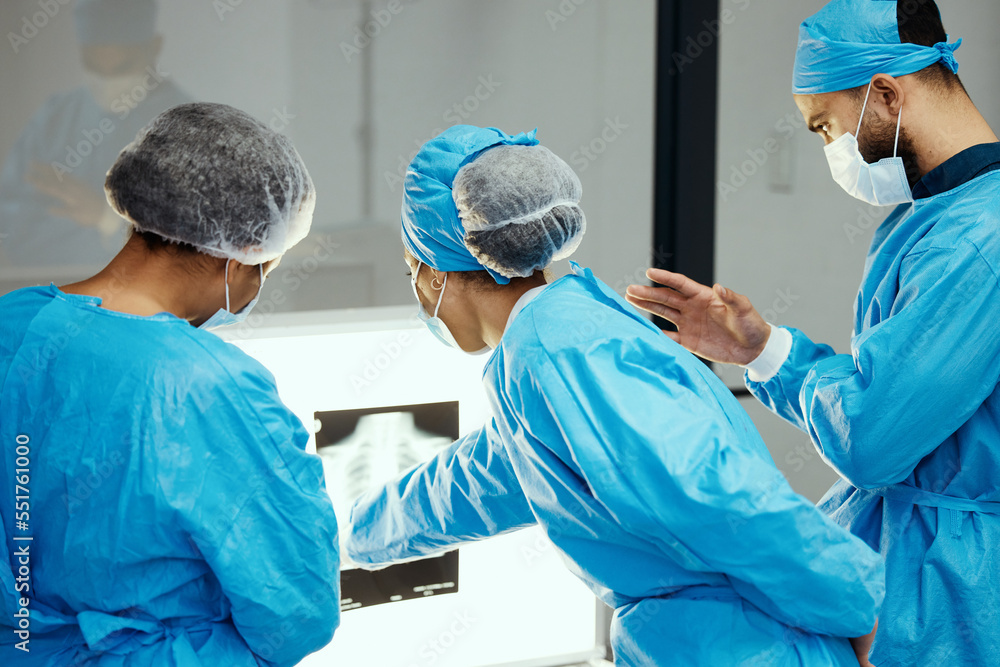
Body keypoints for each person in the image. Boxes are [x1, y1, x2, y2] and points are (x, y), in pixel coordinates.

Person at [344, 125, 884, 666]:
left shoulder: (559, 351)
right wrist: (351, 537)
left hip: (739, 648)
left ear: (435, 275)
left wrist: (859, 602)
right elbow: (486, 478)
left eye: (411, 270)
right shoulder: (557, 333)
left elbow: (714, 492)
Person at [626, 1, 1000, 665]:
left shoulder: (980, 241)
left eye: (826, 127)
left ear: (885, 94)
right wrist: (754, 347)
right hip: (912, 566)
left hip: (952, 599)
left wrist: (775, 357)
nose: (832, 149)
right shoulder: (933, 218)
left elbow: (874, 436)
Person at [0, 103, 340, 665]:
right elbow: (296, 613)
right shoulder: (210, 386)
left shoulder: (11, 323)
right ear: (241, 260)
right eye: (269, 266)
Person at [0, 0, 192, 270]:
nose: (106, 81)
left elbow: (192, 240)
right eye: (94, 65)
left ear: (154, 47)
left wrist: (106, 218)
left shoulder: (187, 127)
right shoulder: (55, 119)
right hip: (55, 291)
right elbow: (14, 225)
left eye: (122, 67)